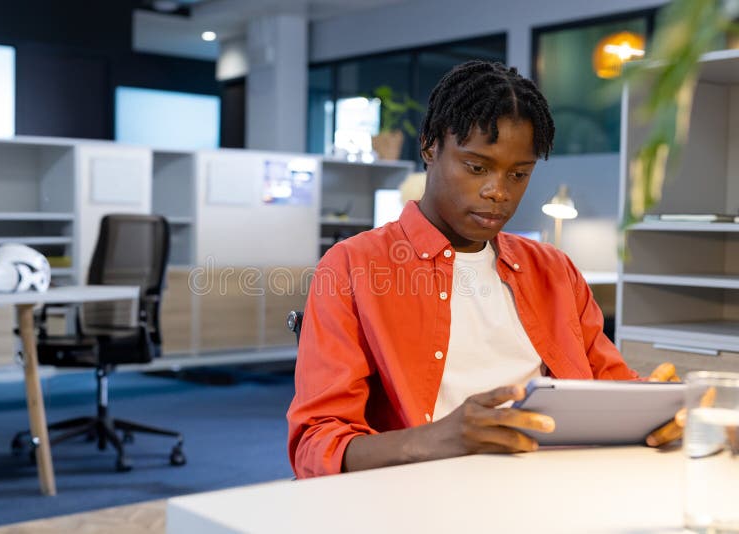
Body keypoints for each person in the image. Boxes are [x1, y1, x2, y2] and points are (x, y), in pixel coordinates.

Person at [287, 60, 677, 479]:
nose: (498, 192)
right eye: (477, 167)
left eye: (518, 174)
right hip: (424, 497)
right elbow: (316, 444)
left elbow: (609, 386)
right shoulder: (353, 265)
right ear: (430, 147)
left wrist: (656, 408)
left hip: (556, 484)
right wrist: (442, 438)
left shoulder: (554, 269)